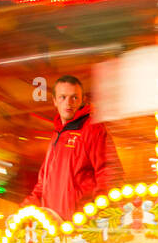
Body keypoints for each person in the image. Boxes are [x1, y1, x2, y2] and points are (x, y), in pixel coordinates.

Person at [25, 75, 123, 220]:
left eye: (74, 97)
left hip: (79, 228)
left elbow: (109, 172)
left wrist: (98, 215)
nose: (68, 103)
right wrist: (23, 210)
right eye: (62, 97)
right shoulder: (56, 137)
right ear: (55, 101)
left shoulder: (92, 129)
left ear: (82, 100)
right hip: (56, 228)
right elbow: (42, 186)